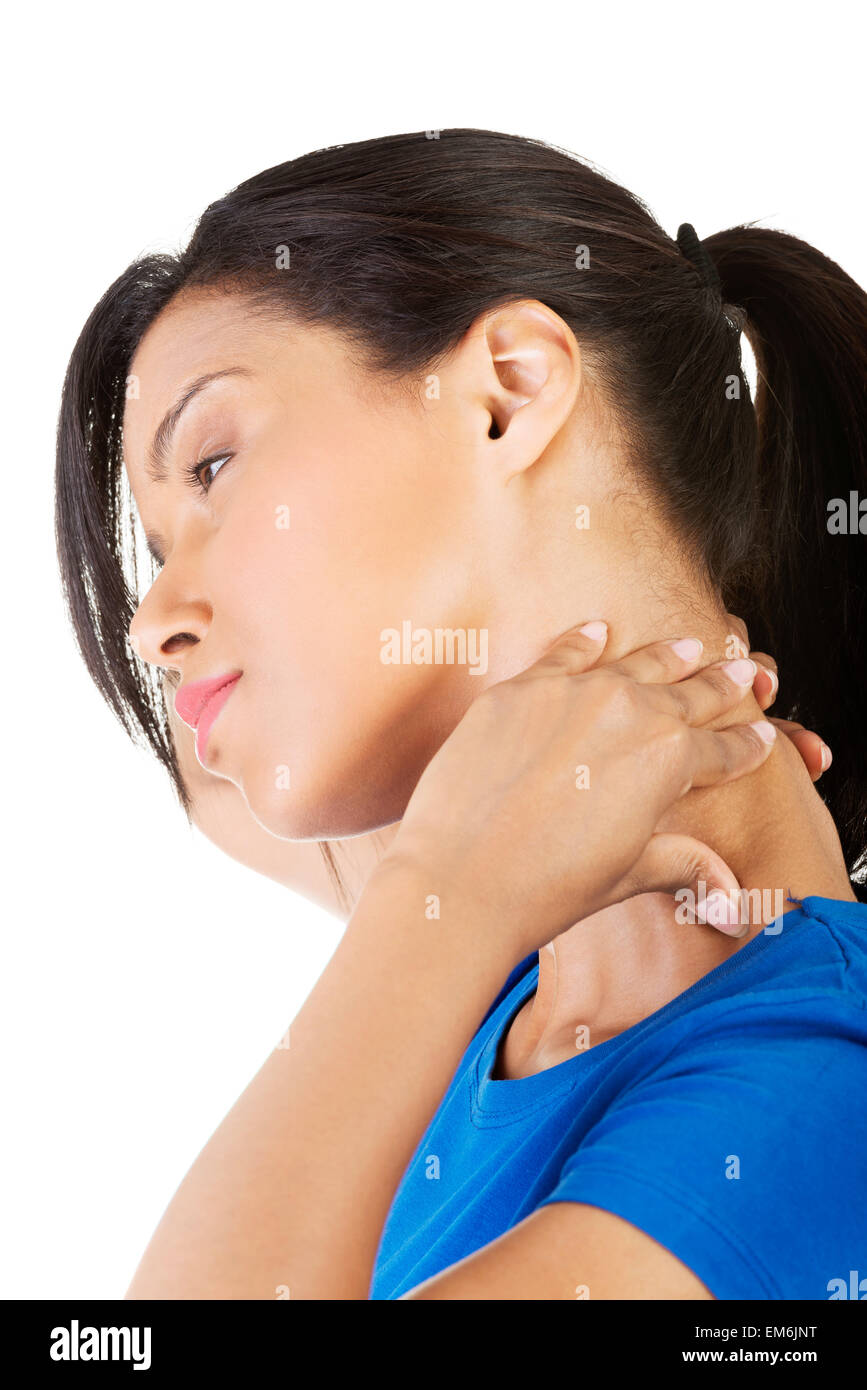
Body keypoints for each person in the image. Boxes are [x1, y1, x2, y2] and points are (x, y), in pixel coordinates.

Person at [55, 128, 867, 1300]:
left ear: (509, 392)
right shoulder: (522, 960)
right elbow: (207, 760)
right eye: (158, 549)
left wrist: (446, 890)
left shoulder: (815, 1097)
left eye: (216, 464)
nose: (151, 621)